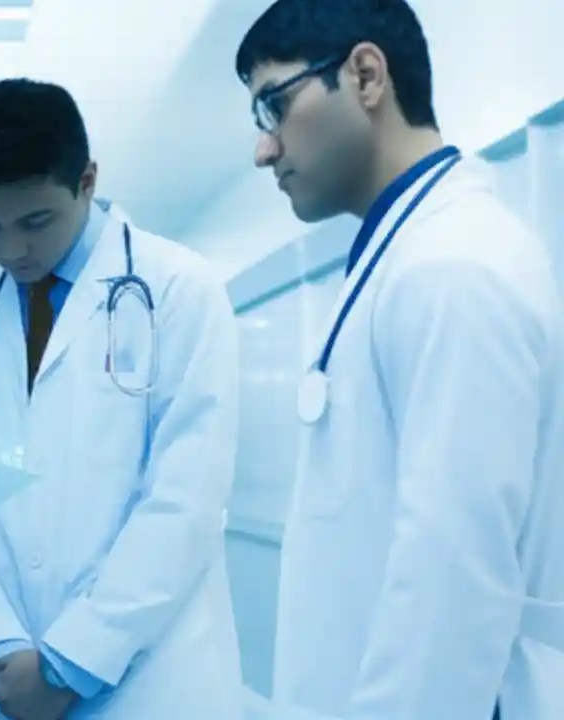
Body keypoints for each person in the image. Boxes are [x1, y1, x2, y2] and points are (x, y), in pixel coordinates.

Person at [236, 1, 564, 718]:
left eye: (274, 107)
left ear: (365, 75)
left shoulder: (455, 267)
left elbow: (454, 580)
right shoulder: (410, 255)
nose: (264, 149)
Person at [0, 77, 243, 720]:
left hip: (147, 679)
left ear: (87, 180)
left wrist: (67, 666)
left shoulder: (179, 289)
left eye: (35, 221)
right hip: (10, 676)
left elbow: (185, 499)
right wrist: (0, 644)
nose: (11, 249)